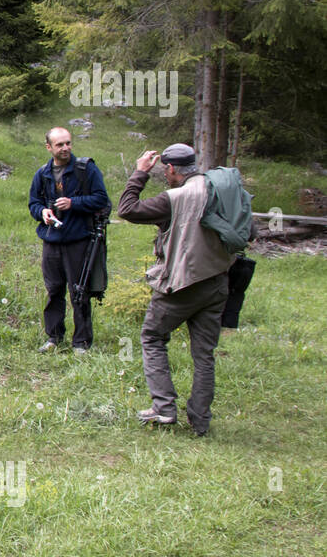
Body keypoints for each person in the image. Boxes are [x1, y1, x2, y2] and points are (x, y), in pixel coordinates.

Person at [118, 144, 254, 436]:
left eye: (164, 171)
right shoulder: (219, 189)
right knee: (204, 354)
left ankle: (164, 409)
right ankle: (200, 420)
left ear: (169, 169)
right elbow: (249, 231)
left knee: (152, 337)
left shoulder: (174, 198)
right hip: (218, 282)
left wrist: (139, 173)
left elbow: (127, 209)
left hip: (180, 285)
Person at [27, 127, 110, 354]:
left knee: (79, 291)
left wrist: (74, 203)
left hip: (79, 240)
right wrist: (42, 212)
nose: (65, 148)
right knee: (54, 290)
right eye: (60, 145)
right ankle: (54, 337)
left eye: (68, 143)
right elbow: (33, 202)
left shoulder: (86, 169)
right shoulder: (42, 173)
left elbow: (102, 199)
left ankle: (81, 342)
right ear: (49, 147)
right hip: (51, 241)